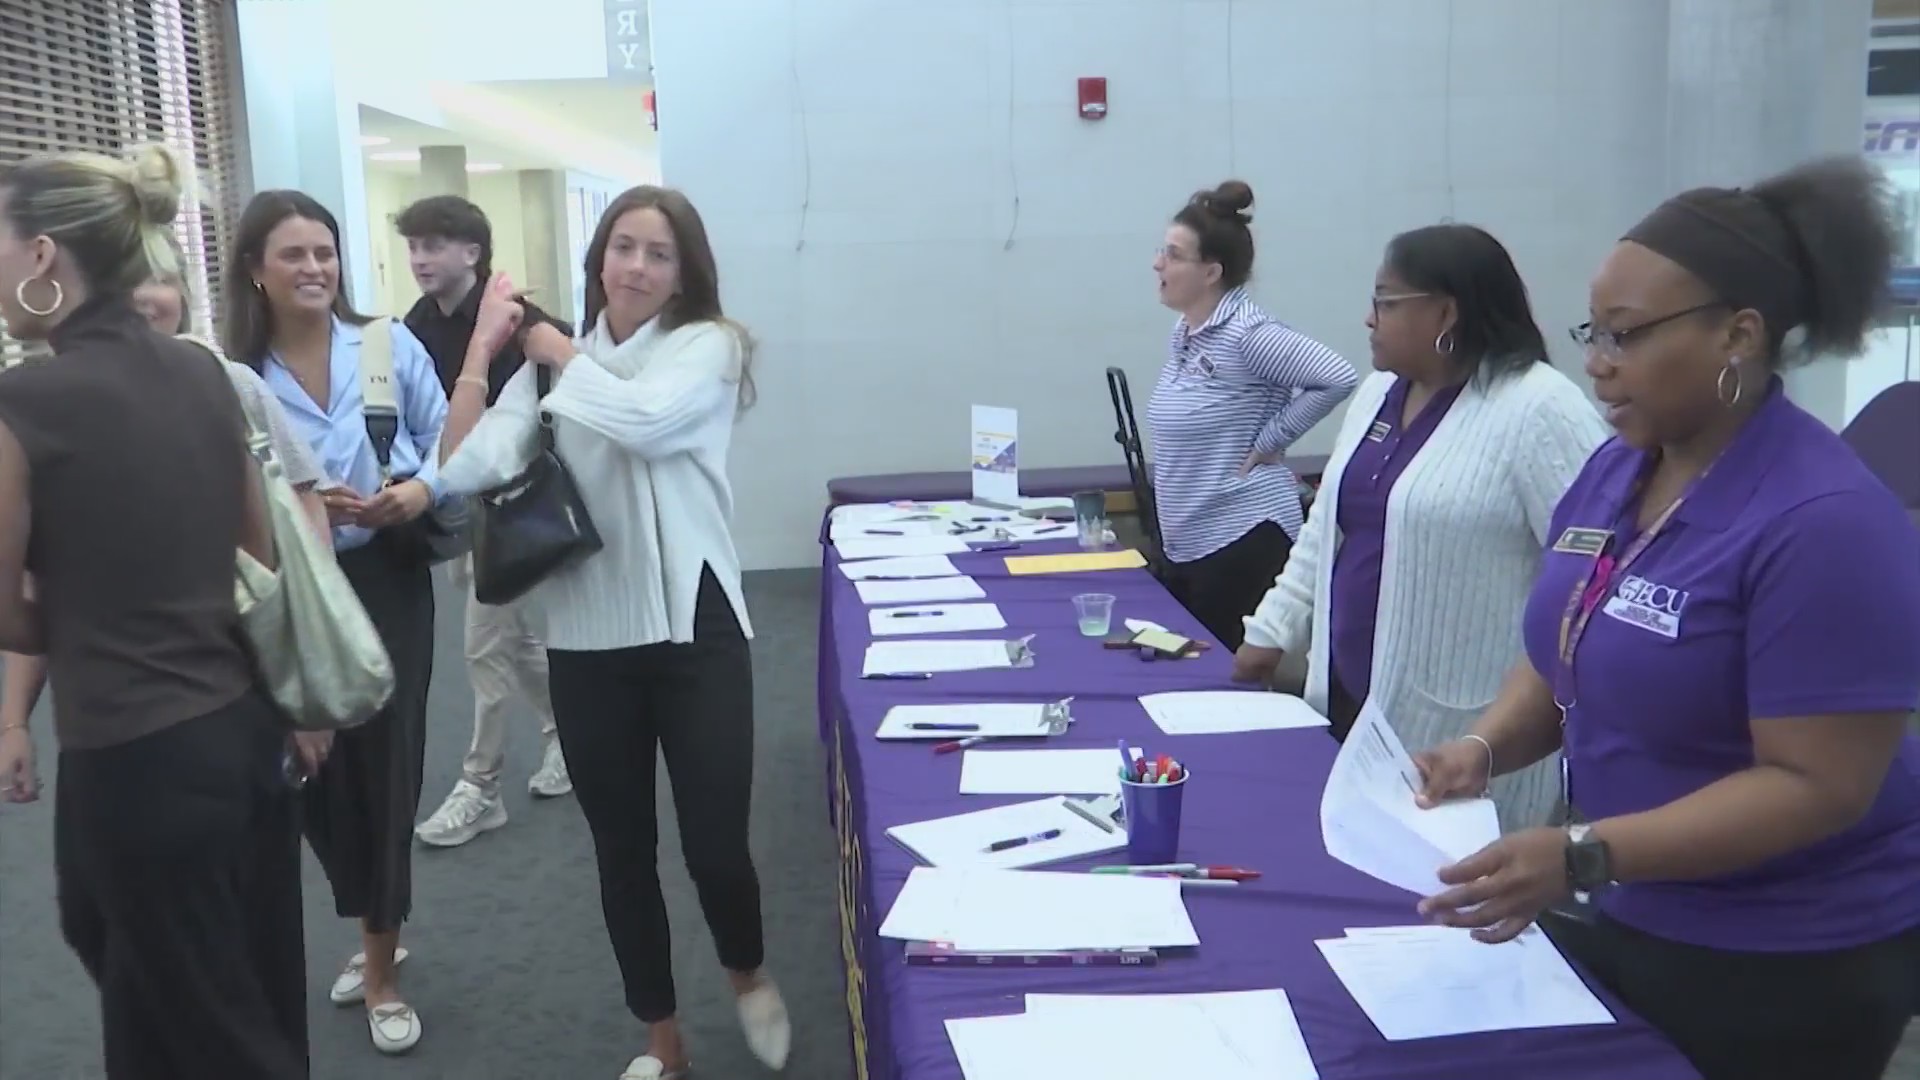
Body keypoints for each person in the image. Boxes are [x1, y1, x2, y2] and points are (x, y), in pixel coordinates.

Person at [1413, 157, 1920, 1080]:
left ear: (1739, 334)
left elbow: (1817, 785)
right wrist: (1482, 750)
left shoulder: (1824, 522)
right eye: (1593, 332)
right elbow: (1568, 640)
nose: (1597, 363)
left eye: (1628, 335)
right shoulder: (1619, 470)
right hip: (1634, 908)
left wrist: (1584, 854)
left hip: (1787, 960)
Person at [436, 185, 788, 1080]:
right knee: (621, 851)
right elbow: (465, 468)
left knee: (714, 846)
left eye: (657, 253)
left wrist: (554, 349)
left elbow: (646, 422)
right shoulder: (555, 366)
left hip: (697, 629)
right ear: (599, 257)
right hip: (589, 639)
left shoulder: (710, 346)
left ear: (683, 272)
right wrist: (483, 352)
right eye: (622, 247)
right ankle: (661, 1041)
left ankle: (746, 969)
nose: (634, 266)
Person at [0, 144, 309, 1077]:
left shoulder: (24, 400)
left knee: (211, 1028)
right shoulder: (203, 374)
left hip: (132, 759)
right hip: (237, 734)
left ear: (46, 255)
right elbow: (256, 557)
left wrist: (83, 624)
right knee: (183, 989)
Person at [1234, 225, 1607, 830]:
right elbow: (1326, 529)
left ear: (1445, 311)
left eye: (1385, 302)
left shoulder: (1537, 408)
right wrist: (1272, 630)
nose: (1368, 319)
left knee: (1452, 898)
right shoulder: (1378, 394)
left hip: (1465, 733)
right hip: (1350, 701)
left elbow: (1592, 577)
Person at [226, 189, 447, 1055]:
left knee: (387, 772)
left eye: (325, 252)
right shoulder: (236, 374)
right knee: (312, 775)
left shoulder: (387, 348)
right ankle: (371, 915)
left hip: (387, 580)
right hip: (289, 590)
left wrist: (409, 493)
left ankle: (382, 964)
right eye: (294, 255)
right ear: (254, 270)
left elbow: (445, 444)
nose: (315, 268)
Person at [395, 194, 573, 849]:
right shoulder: (415, 325)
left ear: (471, 253)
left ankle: (481, 784)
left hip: (520, 503)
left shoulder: (520, 319)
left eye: (433, 245)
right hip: (465, 502)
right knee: (514, 643)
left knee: (482, 644)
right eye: (413, 246)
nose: (419, 258)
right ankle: (565, 739)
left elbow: (570, 393)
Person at [1147, 180, 1358, 647]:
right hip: (1192, 536)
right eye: (1162, 250)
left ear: (1211, 272)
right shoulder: (1186, 332)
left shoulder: (1248, 334)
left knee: (1217, 681)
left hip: (1242, 532)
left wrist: (1269, 442)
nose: (1158, 263)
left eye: (1175, 254)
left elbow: (1337, 375)